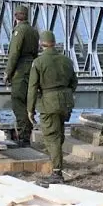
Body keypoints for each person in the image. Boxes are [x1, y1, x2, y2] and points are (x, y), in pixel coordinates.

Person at [27, 31, 78, 185]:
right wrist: (66, 94)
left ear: (41, 44)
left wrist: (30, 109)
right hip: (65, 102)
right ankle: (58, 163)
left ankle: (57, 172)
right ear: (54, 43)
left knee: (51, 137)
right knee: (60, 133)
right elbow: (74, 82)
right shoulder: (67, 60)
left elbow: (32, 87)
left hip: (49, 103)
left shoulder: (38, 62)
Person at [5, 4, 39, 147]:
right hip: (31, 67)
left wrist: (8, 72)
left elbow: (14, 53)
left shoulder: (19, 31)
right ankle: (28, 133)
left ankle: (23, 137)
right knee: (28, 102)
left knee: (18, 102)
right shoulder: (33, 31)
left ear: (15, 16)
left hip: (20, 69)